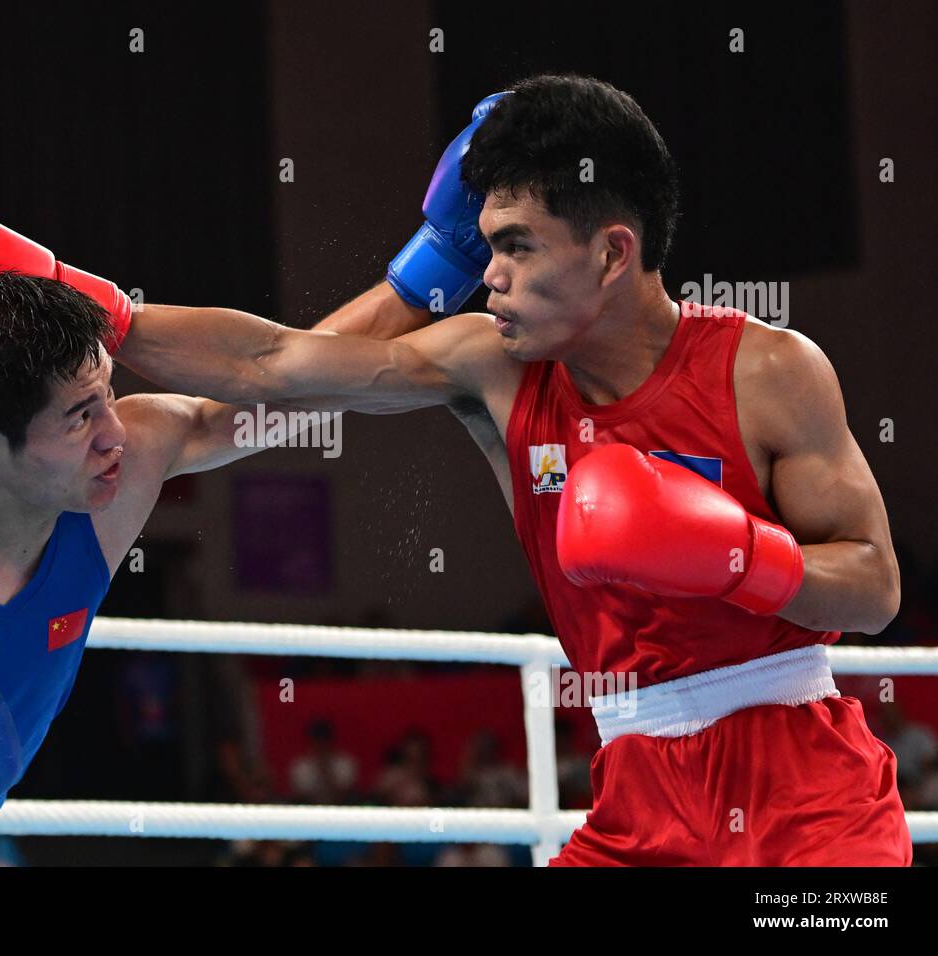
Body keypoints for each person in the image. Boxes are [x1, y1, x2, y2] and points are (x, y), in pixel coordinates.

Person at [111, 75, 908, 865]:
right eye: (484, 245)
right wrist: (85, 311)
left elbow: (875, 588)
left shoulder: (766, 369)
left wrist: (737, 554)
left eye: (516, 246)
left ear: (611, 253)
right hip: (633, 805)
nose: (488, 274)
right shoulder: (495, 368)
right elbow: (274, 361)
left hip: (809, 805)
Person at [0, 189, 436, 865]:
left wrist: (437, 266)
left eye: (109, 394)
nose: (116, 434)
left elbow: (289, 379)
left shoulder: (128, 464)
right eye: (79, 416)